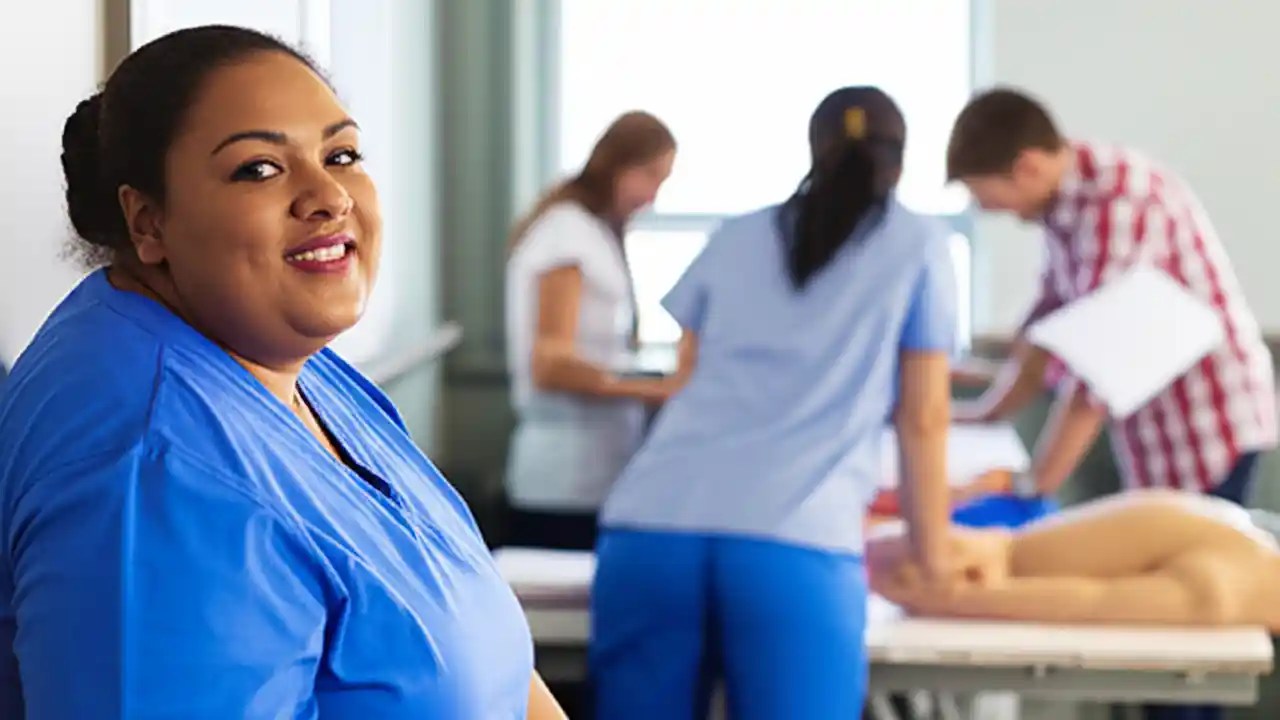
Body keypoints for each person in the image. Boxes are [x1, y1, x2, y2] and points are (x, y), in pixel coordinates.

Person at [0, 25, 563, 720]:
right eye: (259, 168)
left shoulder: (295, 367)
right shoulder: (150, 477)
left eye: (341, 154)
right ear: (148, 222)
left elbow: (495, 666)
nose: (330, 196)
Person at [589, 86, 959, 720]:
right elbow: (922, 418)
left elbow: (687, 374)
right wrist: (936, 563)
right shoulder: (919, 244)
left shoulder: (738, 234)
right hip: (795, 542)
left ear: (814, 150)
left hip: (651, 526)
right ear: (900, 161)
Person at [947, 87, 1277, 510]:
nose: (989, 211)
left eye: (986, 197)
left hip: (1208, 420)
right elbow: (1041, 335)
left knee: (1194, 546)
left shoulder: (1117, 197)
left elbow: (1099, 363)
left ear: (1027, 168)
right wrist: (986, 414)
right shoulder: (1061, 205)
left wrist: (1032, 483)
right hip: (1154, 427)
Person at [503, 111, 682, 552]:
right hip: (563, 483)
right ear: (616, 164)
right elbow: (550, 363)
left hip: (596, 476)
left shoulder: (593, 231)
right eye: (650, 176)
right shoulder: (567, 234)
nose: (652, 197)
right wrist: (652, 390)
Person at [869, 487, 1280, 632]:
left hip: (992, 552)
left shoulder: (1251, 546)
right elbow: (1091, 602)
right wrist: (958, 599)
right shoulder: (1228, 590)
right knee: (885, 561)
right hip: (979, 564)